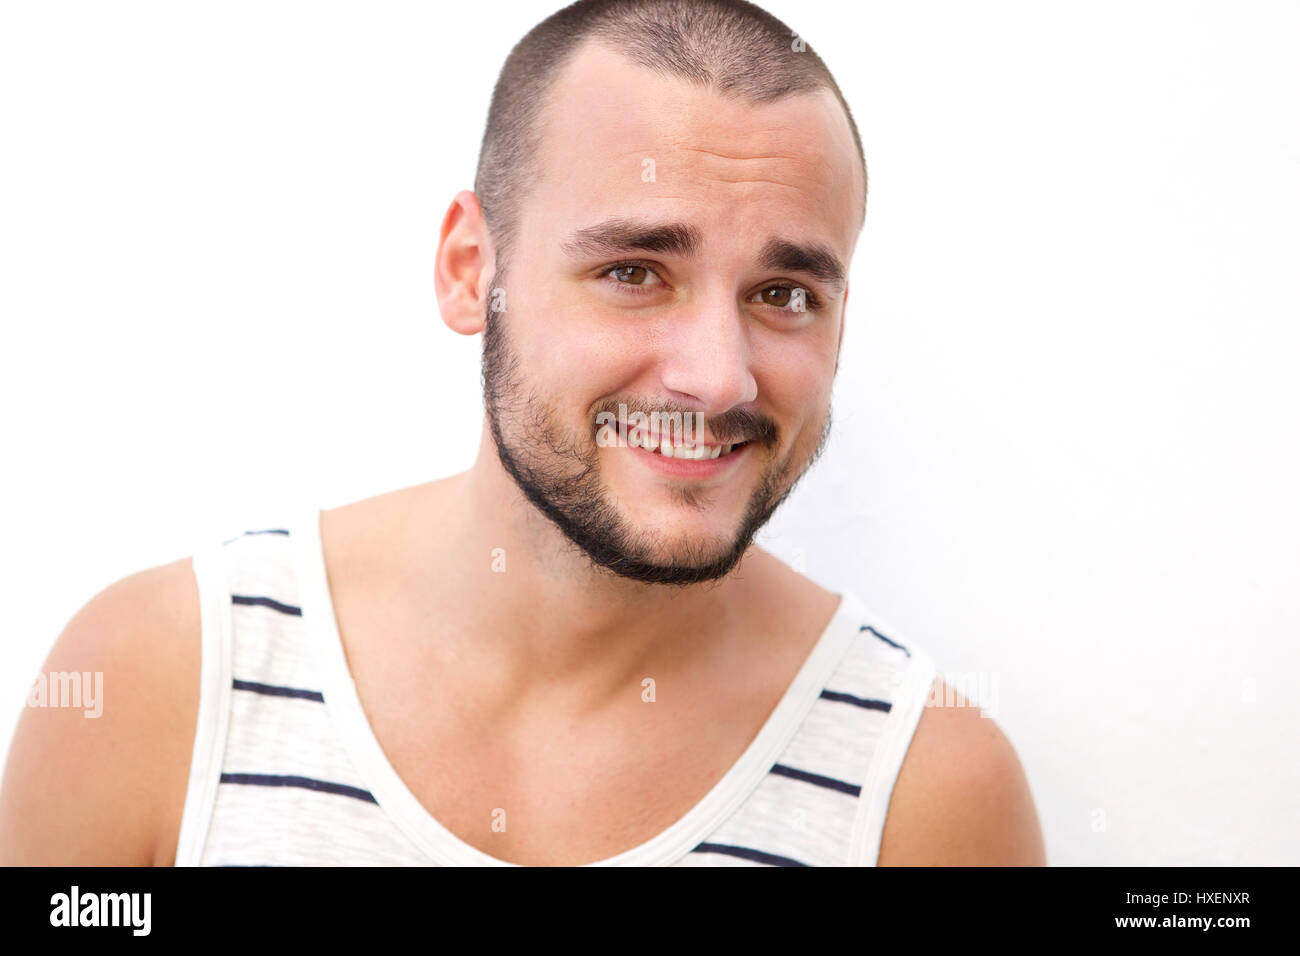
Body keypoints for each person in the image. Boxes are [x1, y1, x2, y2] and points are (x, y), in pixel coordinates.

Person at [0, 0, 1045, 866]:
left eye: (782, 292)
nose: (718, 374)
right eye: (635, 272)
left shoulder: (929, 789)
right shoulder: (163, 679)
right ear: (471, 271)